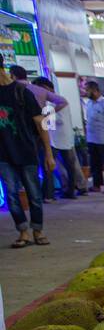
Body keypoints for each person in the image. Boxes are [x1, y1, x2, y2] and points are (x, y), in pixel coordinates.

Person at [0, 54, 55, 247]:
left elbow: (40, 123)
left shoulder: (21, 92)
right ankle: (23, 231)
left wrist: (48, 153)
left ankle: (38, 230)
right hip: (4, 155)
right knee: (12, 194)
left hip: (26, 150)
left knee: (34, 193)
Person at [8, 65, 68, 203]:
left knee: (22, 164)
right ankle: (47, 195)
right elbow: (62, 101)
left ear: (13, 75)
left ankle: (25, 196)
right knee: (44, 163)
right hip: (40, 129)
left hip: (22, 131)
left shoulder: (14, 90)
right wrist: (48, 113)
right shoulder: (39, 90)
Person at [32, 77, 79, 200]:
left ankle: (50, 194)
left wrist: (44, 119)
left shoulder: (54, 102)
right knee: (68, 167)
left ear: (45, 88)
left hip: (56, 139)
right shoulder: (55, 101)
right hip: (61, 138)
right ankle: (67, 192)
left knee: (50, 167)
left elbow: (59, 121)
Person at [83, 81, 104, 193]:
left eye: (87, 90)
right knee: (95, 163)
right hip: (92, 139)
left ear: (95, 90)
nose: (86, 92)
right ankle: (97, 185)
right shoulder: (89, 104)